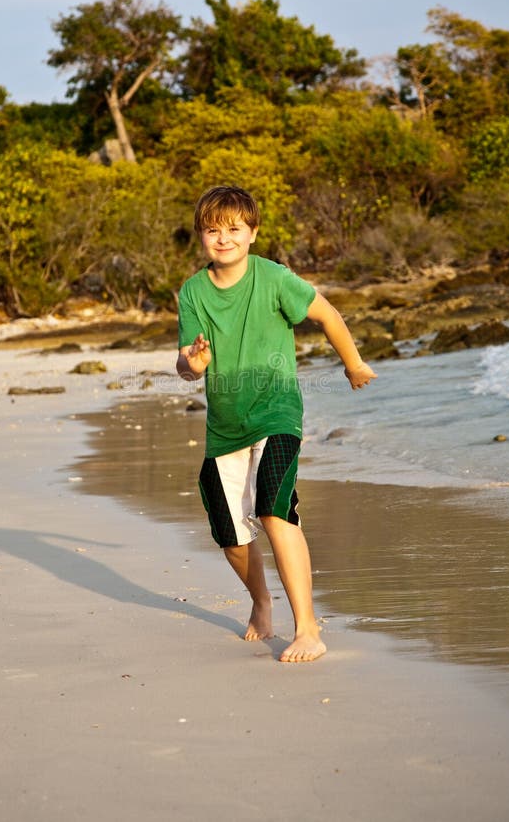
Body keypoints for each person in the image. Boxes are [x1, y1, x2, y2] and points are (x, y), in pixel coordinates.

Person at [176, 186, 377, 662]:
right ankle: (261, 601)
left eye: (234, 229)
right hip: (225, 424)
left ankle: (307, 628)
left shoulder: (273, 278)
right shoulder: (192, 292)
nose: (223, 239)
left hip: (277, 412)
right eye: (212, 230)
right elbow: (185, 367)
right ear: (200, 236)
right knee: (229, 532)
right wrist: (194, 363)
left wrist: (353, 364)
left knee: (274, 507)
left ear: (252, 233)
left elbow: (326, 314)